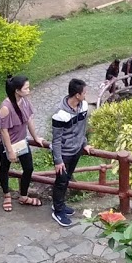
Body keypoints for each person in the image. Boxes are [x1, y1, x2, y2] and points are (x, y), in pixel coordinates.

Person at [0, 75, 47, 211]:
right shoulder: (6, 107)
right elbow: (4, 130)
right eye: (26, 88)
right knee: (4, 169)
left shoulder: (24, 101)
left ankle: (23, 195)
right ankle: (6, 194)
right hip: (7, 145)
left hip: (22, 143)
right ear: (17, 91)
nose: (29, 90)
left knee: (28, 168)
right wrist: (10, 150)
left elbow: (29, 119)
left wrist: (36, 137)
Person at [49, 79, 91, 228]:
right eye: (84, 92)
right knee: (61, 181)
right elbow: (56, 139)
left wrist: (84, 144)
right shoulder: (60, 114)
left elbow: (83, 127)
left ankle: (59, 205)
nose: (86, 95)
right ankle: (58, 211)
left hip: (77, 150)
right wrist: (58, 160)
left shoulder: (83, 106)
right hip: (64, 153)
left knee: (66, 179)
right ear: (77, 95)